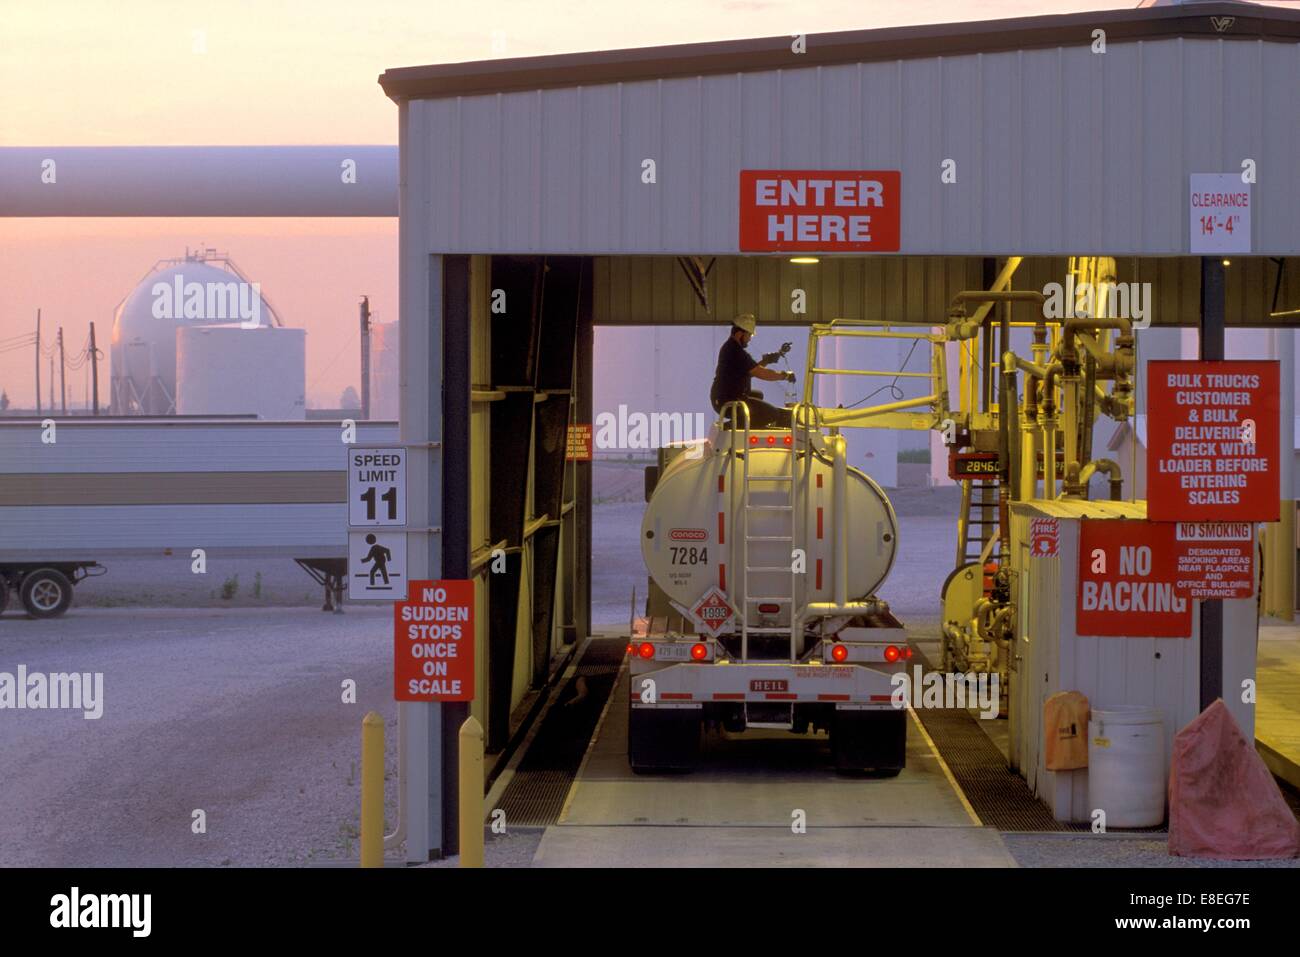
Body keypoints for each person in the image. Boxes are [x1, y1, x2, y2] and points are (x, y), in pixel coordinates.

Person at [708, 314, 795, 429]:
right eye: (749, 335)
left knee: (758, 395)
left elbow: (750, 370)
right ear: (739, 334)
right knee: (772, 414)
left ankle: (744, 423)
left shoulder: (731, 348)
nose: (749, 339)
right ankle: (731, 427)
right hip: (729, 400)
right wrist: (784, 376)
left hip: (724, 397)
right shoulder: (736, 352)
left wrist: (766, 361)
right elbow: (760, 373)